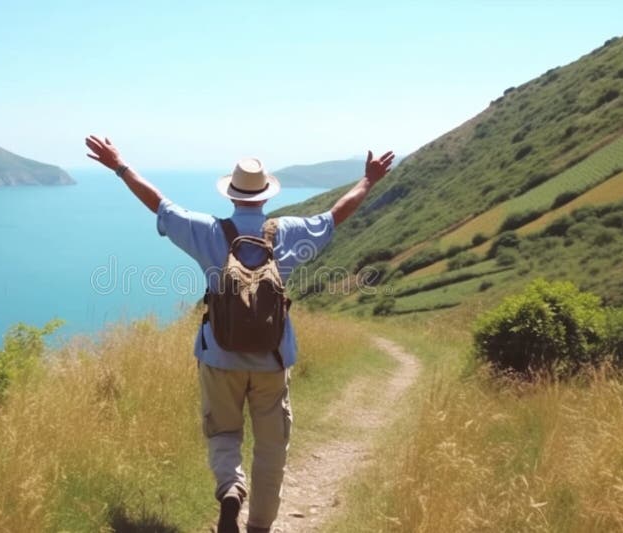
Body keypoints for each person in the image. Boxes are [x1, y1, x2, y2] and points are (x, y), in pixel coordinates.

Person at [85, 135, 394, 533]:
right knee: (271, 448)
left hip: (219, 356)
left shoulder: (205, 231)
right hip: (273, 358)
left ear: (232, 194)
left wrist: (119, 166)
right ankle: (260, 527)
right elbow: (336, 215)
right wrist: (369, 180)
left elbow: (160, 205)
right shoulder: (292, 232)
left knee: (224, 432)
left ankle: (231, 487)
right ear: (265, 195)